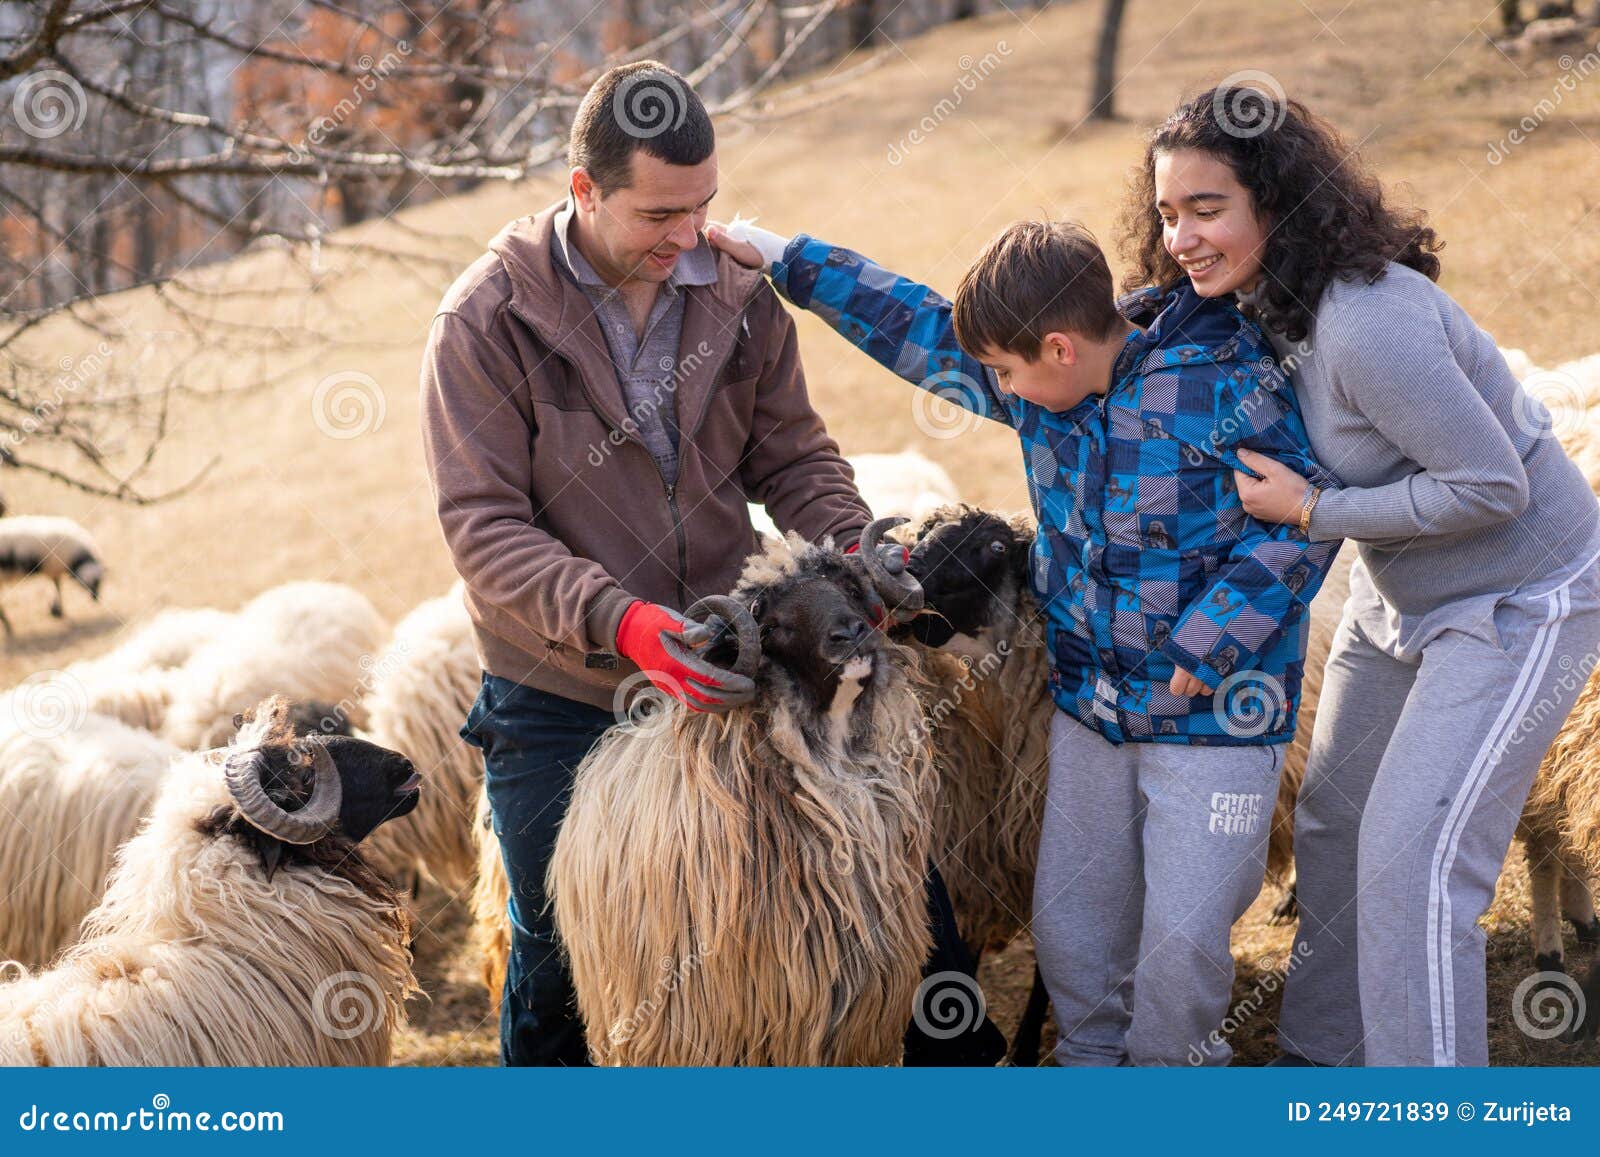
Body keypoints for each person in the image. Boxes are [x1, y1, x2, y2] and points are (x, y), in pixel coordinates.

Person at [419, 60, 1001, 1067]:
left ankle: (958, 1080)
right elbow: (483, 527)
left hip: (732, 664)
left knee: (894, 892)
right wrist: (620, 620)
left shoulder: (736, 293)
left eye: (702, 207)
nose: (688, 238)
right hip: (565, 686)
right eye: (659, 214)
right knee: (561, 948)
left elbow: (795, 457)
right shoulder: (484, 321)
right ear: (583, 192)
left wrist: (857, 550)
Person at [709, 215, 1340, 1064]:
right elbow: (919, 328)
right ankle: (1084, 1067)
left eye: (1003, 371)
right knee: (1075, 930)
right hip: (1089, 708)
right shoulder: (1042, 387)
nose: (992, 385)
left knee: (1182, 945)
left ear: (1058, 349)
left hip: (1214, 719)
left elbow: (1304, 522)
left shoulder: (1228, 383)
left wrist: (1212, 638)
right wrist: (789, 261)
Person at [1120, 84, 1600, 1066]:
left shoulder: (1362, 319)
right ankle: (1324, 1063)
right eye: (1168, 213)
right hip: (1396, 590)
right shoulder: (1254, 303)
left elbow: (1491, 485)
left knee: (1414, 868)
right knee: (1334, 827)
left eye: (1206, 209)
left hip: (1515, 598)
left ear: (1277, 203)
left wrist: (1311, 510)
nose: (1180, 236)